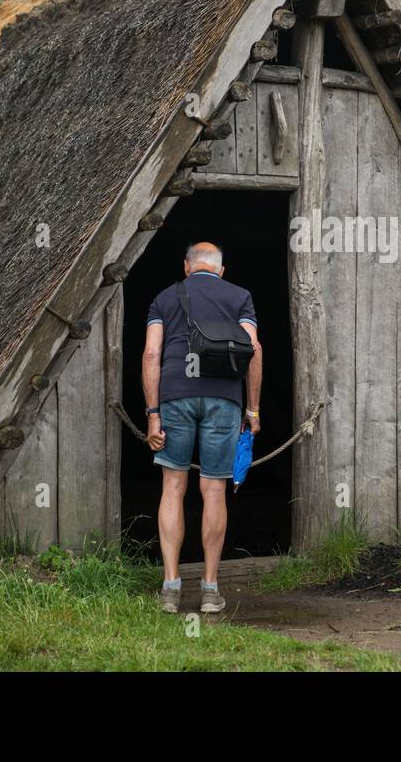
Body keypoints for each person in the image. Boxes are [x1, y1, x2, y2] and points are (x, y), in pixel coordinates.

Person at [141, 241, 261, 614]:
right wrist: (253, 411)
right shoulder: (240, 296)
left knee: (174, 486)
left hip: (176, 395)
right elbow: (254, 350)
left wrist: (152, 413)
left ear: (187, 267)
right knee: (213, 489)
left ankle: (171, 588)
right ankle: (210, 590)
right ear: (220, 270)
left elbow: (150, 354)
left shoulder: (164, 298)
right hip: (224, 398)